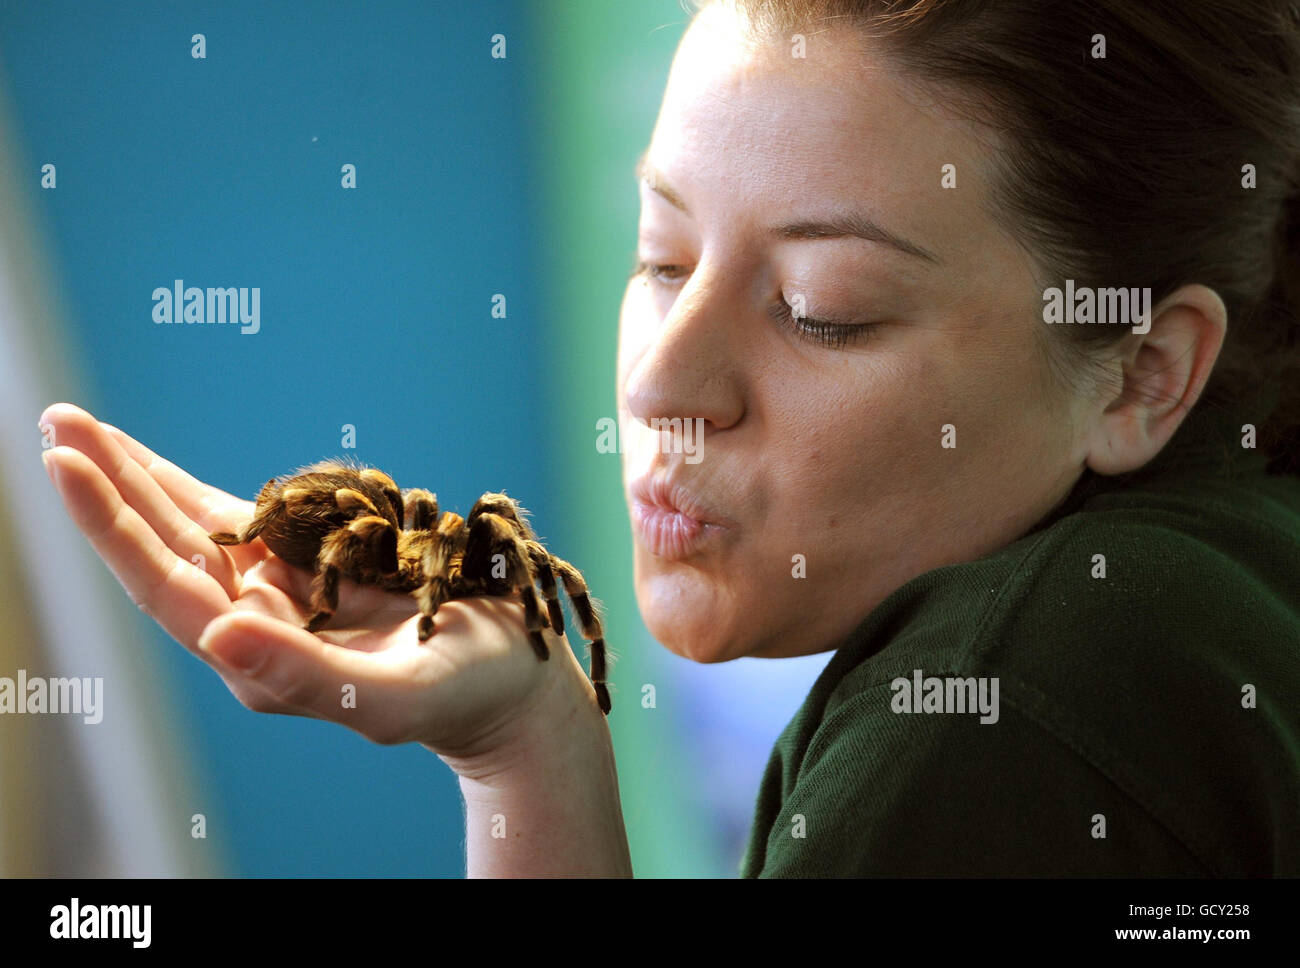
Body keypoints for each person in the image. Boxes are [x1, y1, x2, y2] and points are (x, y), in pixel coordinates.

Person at [41, 0, 1300, 876]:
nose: (657, 380)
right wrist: (525, 747)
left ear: (1139, 374)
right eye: (661, 256)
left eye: (821, 312)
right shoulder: (1225, 569)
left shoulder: (1013, 704)